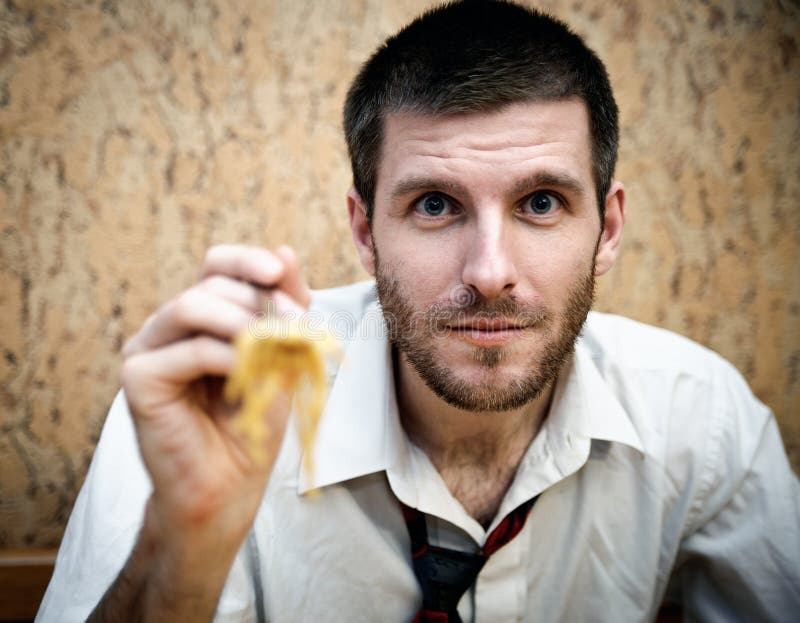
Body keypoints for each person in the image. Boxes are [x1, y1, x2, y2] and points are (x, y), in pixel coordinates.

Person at [37, 1, 799, 621]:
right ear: (365, 231)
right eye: (436, 204)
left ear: (609, 228)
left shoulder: (699, 414)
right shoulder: (220, 405)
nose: (491, 272)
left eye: (541, 202)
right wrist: (182, 544)